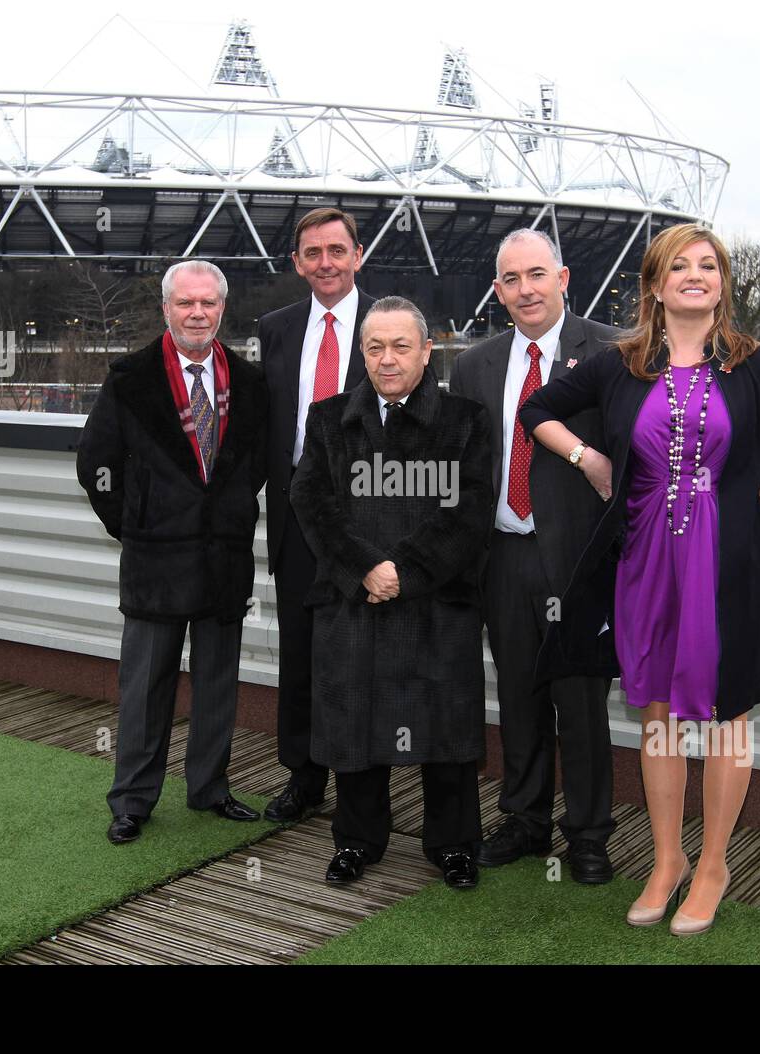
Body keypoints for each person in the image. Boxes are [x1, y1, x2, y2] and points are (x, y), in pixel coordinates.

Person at [520, 223, 760, 933]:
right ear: (653, 283)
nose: (695, 274)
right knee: (657, 715)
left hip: (728, 561)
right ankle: (667, 860)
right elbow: (537, 412)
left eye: (708, 265)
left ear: (722, 283)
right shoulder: (619, 367)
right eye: (679, 264)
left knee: (726, 715)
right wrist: (589, 459)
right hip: (643, 559)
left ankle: (714, 865)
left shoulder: (757, 364)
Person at [289, 296, 493, 889]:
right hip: (355, 598)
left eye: (401, 346)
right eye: (375, 347)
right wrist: (365, 569)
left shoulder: (465, 420)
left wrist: (404, 571)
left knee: (447, 724)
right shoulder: (328, 419)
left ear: (427, 350)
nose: (387, 359)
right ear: (362, 351)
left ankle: (454, 845)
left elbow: (469, 510)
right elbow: (313, 503)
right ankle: (357, 840)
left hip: (436, 599)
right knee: (355, 719)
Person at [77, 260, 268, 844]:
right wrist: (135, 525)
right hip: (155, 561)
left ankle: (209, 787)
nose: (197, 313)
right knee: (145, 687)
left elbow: (255, 463)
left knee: (217, 681)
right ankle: (133, 799)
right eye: (186, 303)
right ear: (167, 309)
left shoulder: (249, 381)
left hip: (223, 559)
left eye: (208, 303)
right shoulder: (131, 380)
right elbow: (97, 465)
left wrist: (229, 512)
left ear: (222, 310)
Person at [449, 229, 619, 884]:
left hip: (578, 560)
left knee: (580, 703)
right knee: (517, 696)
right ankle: (523, 820)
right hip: (505, 555)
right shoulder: (475, 364)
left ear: (564, 278)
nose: (525, 290)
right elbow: (466, 463)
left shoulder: (609, 350)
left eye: (537, 275)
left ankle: (588, 835)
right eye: (512, 279)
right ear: (498, 290)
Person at [258, 208, 377, 823]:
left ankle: (364, 786)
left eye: (337, 250)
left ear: (358, 254)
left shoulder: (388, 323)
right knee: (300, 654)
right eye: (313, 253)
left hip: (368, 522)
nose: (325, 263)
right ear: (297, 262)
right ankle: (304, 779)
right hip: (297, 519)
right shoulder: (276, 329)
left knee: (361, 655)